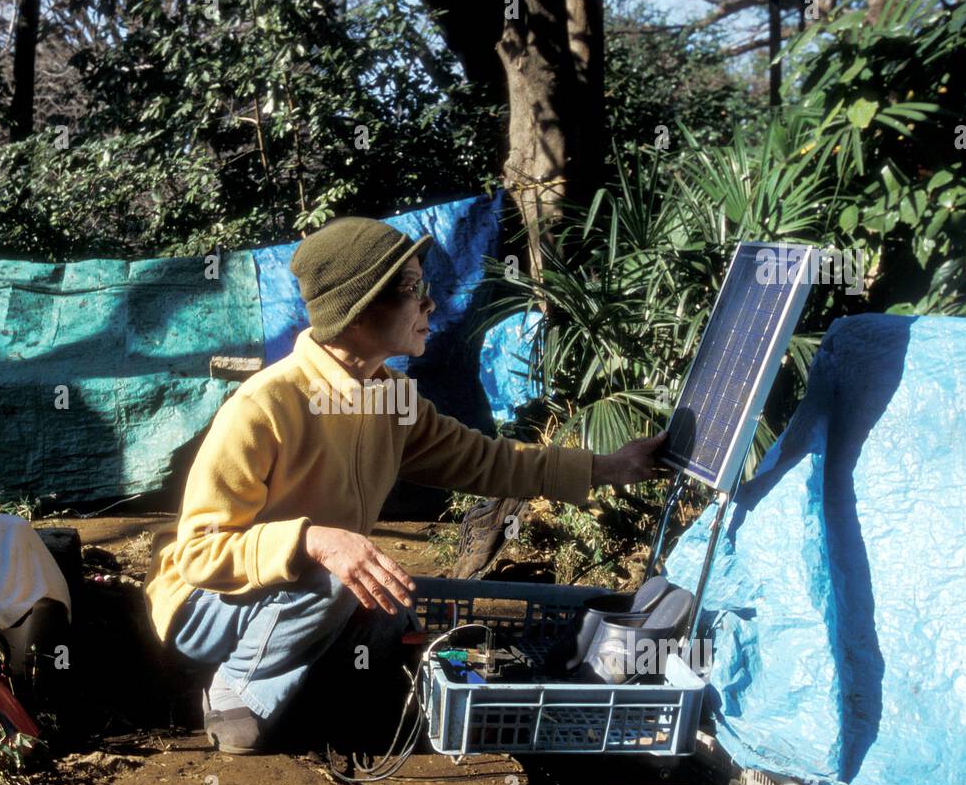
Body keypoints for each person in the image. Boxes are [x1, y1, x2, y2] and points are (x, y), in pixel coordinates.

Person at [144, 216, 668, 753]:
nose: (430, 304)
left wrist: (607, 467)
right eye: (413, 289)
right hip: (206, 604)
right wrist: (311, 540)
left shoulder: (390, 396)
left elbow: (486, 461)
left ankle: (321, 687)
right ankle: (237, 691)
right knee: (346, 576)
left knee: (394, 606)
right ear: (357, 308)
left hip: (300, 600)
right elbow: (200, 554)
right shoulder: (265, 406)